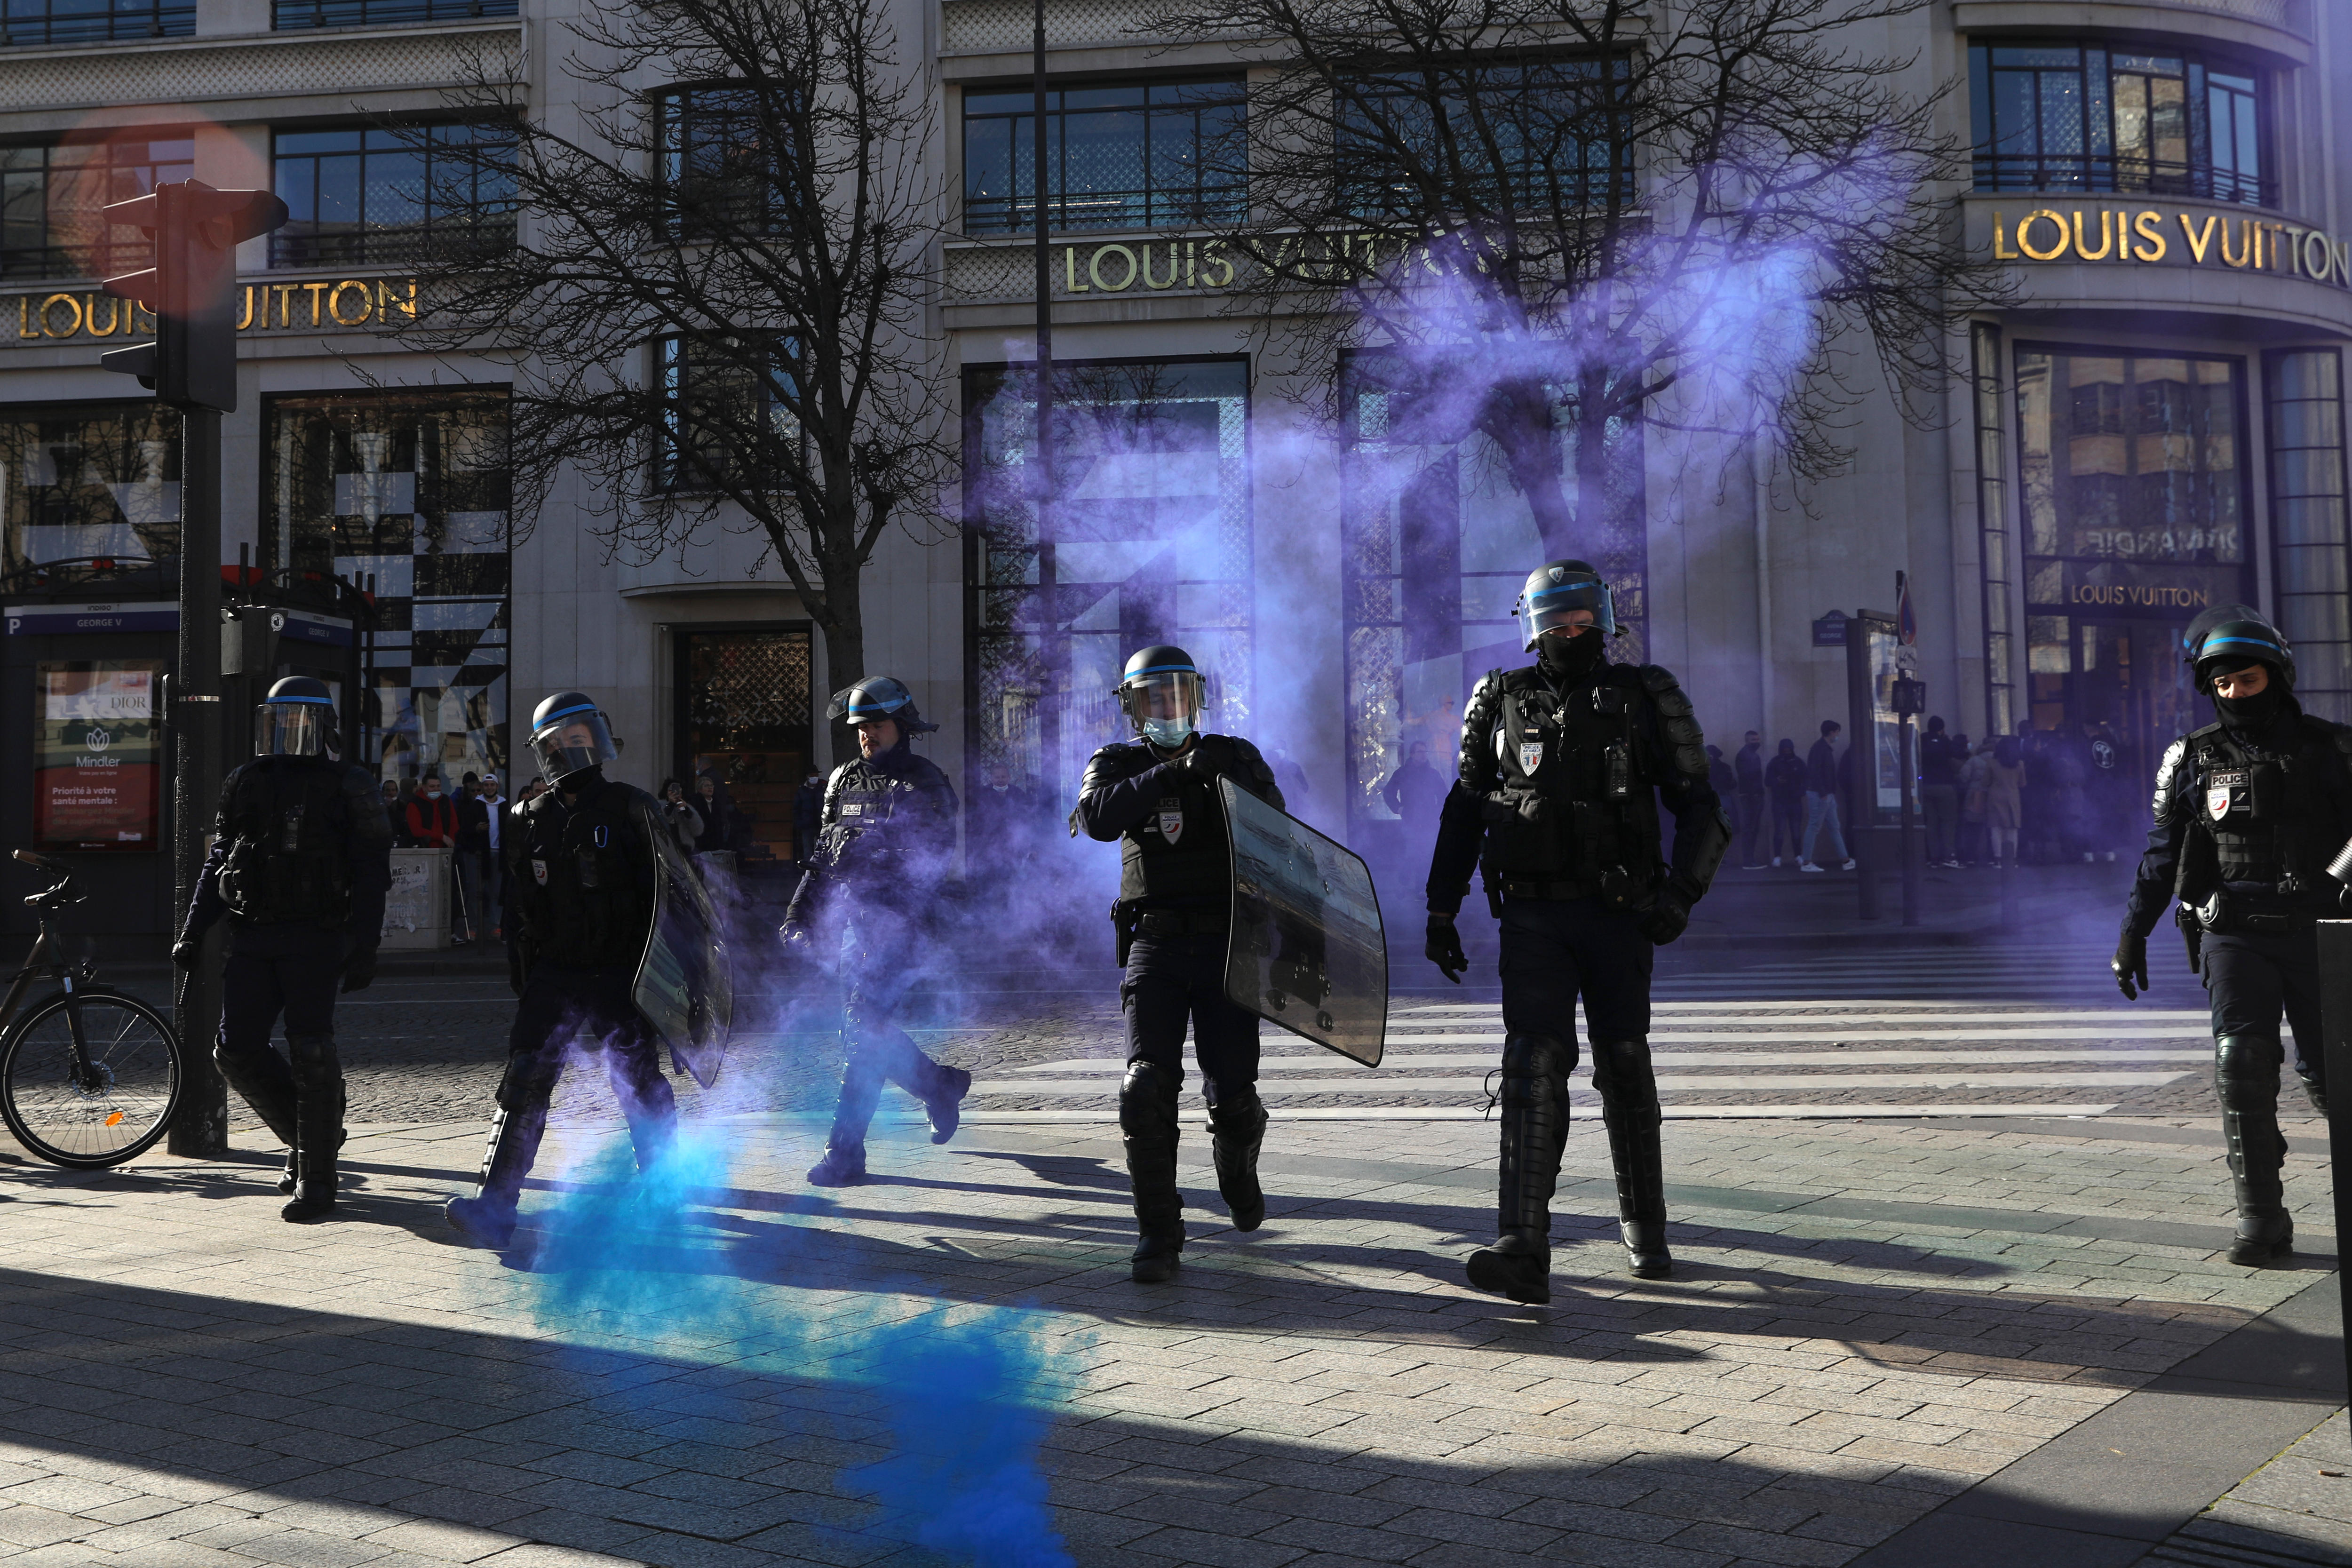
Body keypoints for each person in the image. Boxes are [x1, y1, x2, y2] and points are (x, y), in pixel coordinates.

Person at [1422, 560, 1731, 1302]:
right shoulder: (1497, 700)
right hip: (1532, 914)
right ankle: (1523, 1248)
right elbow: (1465, 810)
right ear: (1534, 625)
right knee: (1532, 1062)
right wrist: (1441, 907)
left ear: (1605, 619)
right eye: (1559, 618)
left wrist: (1682, 893)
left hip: (1619, 910)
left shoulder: (1644, 696)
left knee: (1624, 1062)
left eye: (1584, 616)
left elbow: (1704, 809)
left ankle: (1646, 1228)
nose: (1572, 630)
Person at [2113, 605, 2352, 1267]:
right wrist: (2134, 931)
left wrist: (2337, 882)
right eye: (2223, 685)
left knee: (2337, 1078)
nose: (2236, 693)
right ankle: (2261, 1219)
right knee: (2240, 1066)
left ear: (2276, 676)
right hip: (2235, 934)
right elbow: (2162, 856)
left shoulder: (2331, 748)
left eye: (2247, 680)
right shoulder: (2193, 758)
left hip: (2320, 930)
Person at [1076, 645, 1286, 1284]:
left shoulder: (1237, 756)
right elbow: (1097, 818)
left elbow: (1279, 834)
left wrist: (1224, 776)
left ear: (1195, 699)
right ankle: (1159, 1234)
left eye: (1176, 696)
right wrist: (1170, 776)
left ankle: (1238, 1163)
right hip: (1157, 942)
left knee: (1234, 1093)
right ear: (1134, 707)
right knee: (1145, 1087)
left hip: (1226, 943)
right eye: (1153, 698)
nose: (1166, 707)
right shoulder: (1116, 764)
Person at [445, 693, 682, 1248]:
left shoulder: (632, 809)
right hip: (556, 971)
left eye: (581, 736)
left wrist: (668, 982)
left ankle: (665, 1200)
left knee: (640, 1083)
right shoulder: (528, 819)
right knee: (524, 1079)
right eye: (562, 740)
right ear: (545, 750)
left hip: (620, 972)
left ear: (596, 739)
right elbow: (519, 908)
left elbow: (674, 901)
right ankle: (496, 1207)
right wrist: (524, 978)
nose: (573, 747)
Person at [171, 677, 392, 1221]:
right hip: (255, 934)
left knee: (310, 1050)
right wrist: (194, 930)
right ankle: (310, 1136)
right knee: (235, 1049)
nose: (291, 733)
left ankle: (317, 1179)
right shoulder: (247, 781)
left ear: (325, 729)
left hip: (316, 937)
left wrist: (365, 945)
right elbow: (219, 862)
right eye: (281, 721)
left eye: (303, 722)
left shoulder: (351, 786)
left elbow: (371, 875)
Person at [781, 677, 971, 1186]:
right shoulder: (842, 780)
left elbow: (932, 865)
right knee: (861, 1030)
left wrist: (884, 860)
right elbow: (822, 858)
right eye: (861, 727)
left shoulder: (925, 782)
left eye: (877, 725)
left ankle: (844, 1155)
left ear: (901, 727)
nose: (867, 735)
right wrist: (798, 915)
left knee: (863, 1034)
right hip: (852, 928)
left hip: (900, 926)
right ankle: (938, 1085)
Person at [1801, 720, 1854, 872]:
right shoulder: (1821, 749)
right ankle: (1807, 862)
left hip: (1825, 794)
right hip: (1822, 794)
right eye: (1837, 732)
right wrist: (1824, 792)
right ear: (1832, 732)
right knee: (1816, 827)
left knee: (1833, 827)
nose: (1838, 735)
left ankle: (1846, 860)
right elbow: (1815, 772)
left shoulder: (1820, 748)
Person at [1380, 740, 1446, 844]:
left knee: (1429, 850)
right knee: (1411, 849)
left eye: (1425, 752)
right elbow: (1388, 792)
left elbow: (1444, 795)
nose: (1424, 755)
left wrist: (1438, 812)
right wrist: (1399, 808)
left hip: (1430, 822)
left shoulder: (1433, 774)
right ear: (1412, 754)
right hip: (1410, 820)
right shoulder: (1402, 773)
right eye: (1420, 752)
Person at [1919, 716, 1960, 869]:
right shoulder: (1946, 742)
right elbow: (1955, 755)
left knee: (1931, 823)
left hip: (1926, 785)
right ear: (1941, 729)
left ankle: (1933, 857)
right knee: (1948, 822)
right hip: (1945, 785)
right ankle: (1949, 856)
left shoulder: (1921, 740)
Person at [1764, 737, 1806, 867]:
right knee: (1780, 831)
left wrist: (1800, 792)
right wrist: (1777, 781)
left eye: (1789, 750)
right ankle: (1778, 857)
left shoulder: (1798, 763)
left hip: (1794, 800)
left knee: (1796, 831)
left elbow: (1807, 780)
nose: (1787, 752)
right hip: (1780, 801)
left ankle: (1798, 855)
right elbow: (1767, 781)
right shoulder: (1776, 763)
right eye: (1785, 750)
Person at [476, 771, 507, 939]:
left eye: (492, 785)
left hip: (499, 853)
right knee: (478, 891)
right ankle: (475, 927)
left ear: (497, 786)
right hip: (481, 855)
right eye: (486, 785)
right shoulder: (477, 805)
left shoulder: (504, 805)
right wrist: (477, 829)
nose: (489, 788)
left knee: (497, 892)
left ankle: (496, 925)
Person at [1988, 734, 2025, 868]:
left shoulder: (1993, 763)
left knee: (1996, 828)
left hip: (1995, 796)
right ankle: (2012, 859)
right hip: (2013, 797)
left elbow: (1986, 781)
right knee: (2012, 828)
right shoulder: (2019, 764)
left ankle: (1998, 858)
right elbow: (2023, 783)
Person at [1958, 735, 1993, 868]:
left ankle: (1971, 857)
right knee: (1992, 828)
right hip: (1992, 795)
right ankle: (1992, 856)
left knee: (1973, 827)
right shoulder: (1998, 760)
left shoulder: (1974, 760)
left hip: (1975, 794)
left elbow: (1964, 776)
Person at [1734, 731, 1767, 869]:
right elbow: (1747, 776)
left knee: (1753, 829)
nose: (1757, 742)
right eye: (1754, 740)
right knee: (1750, 829)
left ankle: (1750, 860)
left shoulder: (1752, 755)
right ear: (1747, 741)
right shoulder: (1744, 755)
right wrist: (1754, 794)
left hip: (1754, 796)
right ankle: (1748, 861)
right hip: (1750, 797)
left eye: (1758, 739)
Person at [405, 773, 458, 849]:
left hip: (446, 847)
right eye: (432, 786)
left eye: (438, 786)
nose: (436, 789)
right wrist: (442, 837)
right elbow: (416, 830)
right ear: (424, 788)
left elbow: (454, 823)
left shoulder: (445, 800)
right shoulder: (415, 804)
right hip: (424, 848)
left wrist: (451, 840)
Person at [658, 777, 705, 853]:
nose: (675, 793)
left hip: (686, 850)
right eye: (672, 790)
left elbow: (698, 831)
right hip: (666, 849)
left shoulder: (688, 807)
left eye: (678, 791)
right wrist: (670, 805)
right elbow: (661, 820)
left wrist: (687, 812)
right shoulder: (659, 805)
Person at [381, 778, 414, 846]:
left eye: (393, 790)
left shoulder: (404, 807)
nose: (391, 793)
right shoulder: (378, 807)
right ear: (383, 792)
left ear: (396, 792)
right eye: (388, 790)